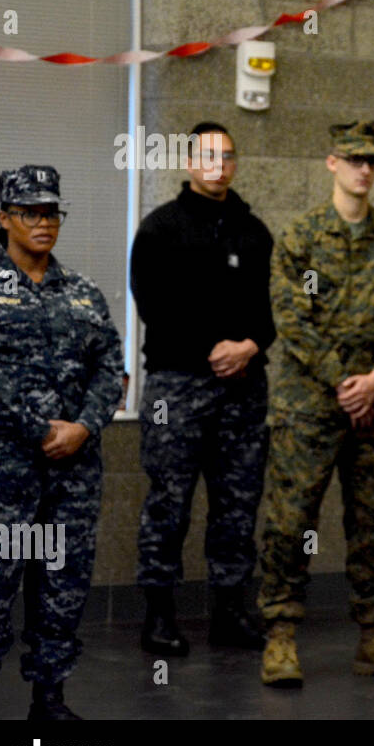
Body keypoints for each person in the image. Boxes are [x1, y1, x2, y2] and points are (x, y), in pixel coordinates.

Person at [0, 166, 123, 720]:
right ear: (5, 218)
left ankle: (49, 698)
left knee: (62, 588)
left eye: (51, 212)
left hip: (71, 475)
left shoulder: (82, 292)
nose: (43, 222)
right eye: (30, 212)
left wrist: (84, 425)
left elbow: (110, 367)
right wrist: (38, 429)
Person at [257, 120, 374, 688]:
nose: (364, 169)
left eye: (371, 160)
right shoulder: (301, 237)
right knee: (291, 519)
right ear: (331, 163)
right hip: (310, 407)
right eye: (353, 159)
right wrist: (344, 382)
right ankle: (279, 635)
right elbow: (290, 321)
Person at [131, 122, 275, 656]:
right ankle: (159, 615)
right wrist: (215, 351)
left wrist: (249, 347)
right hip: (178, 387)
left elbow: (270, 313)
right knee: (169, 504)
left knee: (237, 507)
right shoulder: (159, 230)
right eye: (208, 155)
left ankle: (230, 613)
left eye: (228, 155)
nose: (219, 164)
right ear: (190, 162)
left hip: (243, 390)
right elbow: (155, 311)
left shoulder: (254, 232)